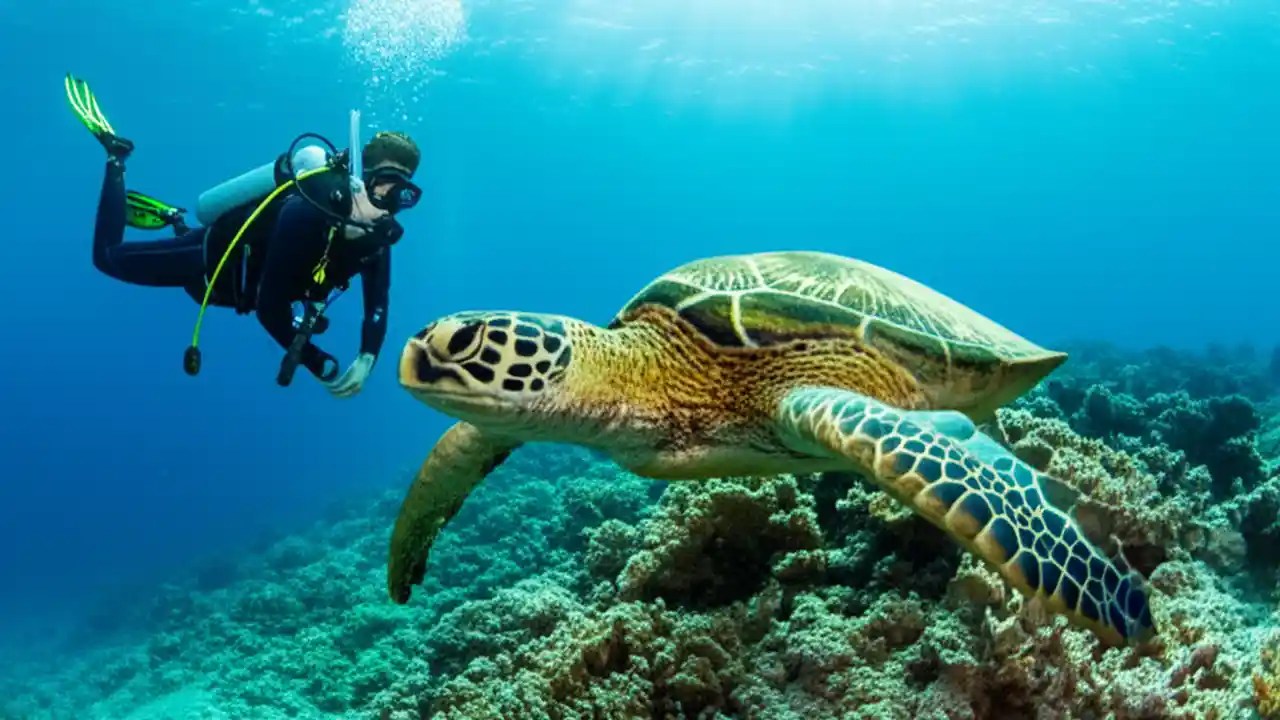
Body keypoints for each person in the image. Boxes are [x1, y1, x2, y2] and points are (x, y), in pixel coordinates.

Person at [65, 73, 424, 397]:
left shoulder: (376, 237)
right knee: (107, 258)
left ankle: (174, 218)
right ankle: (115, 158)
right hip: (209, 265)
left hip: (243, 285)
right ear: (360, 180)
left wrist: (367, 356)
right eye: (381, 188)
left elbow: (377, 304)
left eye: (402, 195)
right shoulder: (308, 211)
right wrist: (319, 365)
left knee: (192, 245)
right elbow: (269, 309)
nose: (387, 206)